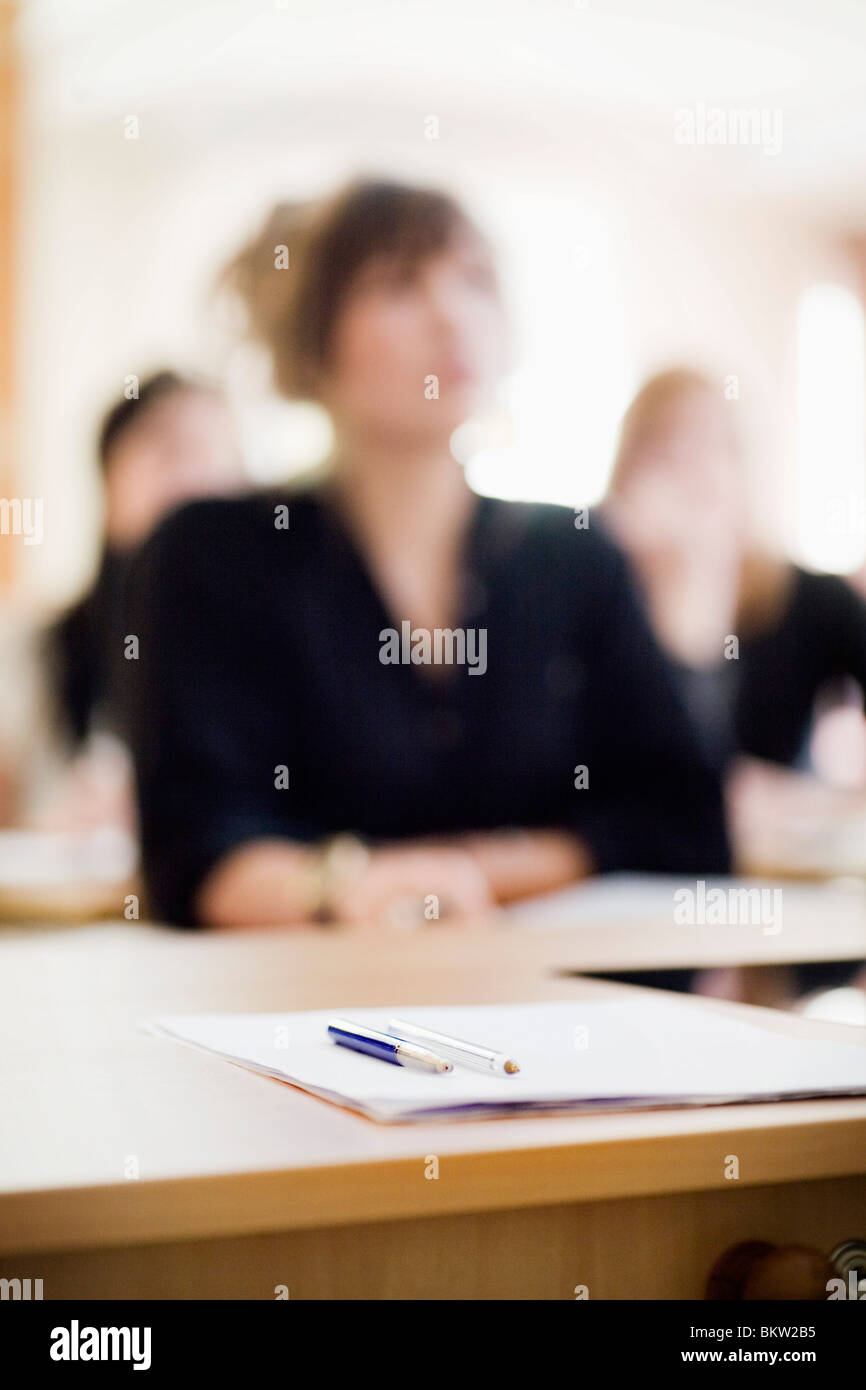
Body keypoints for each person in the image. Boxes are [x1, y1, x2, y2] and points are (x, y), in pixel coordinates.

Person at [125, 178, 730, 930]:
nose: (452, 317)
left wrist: (465, 874)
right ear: (312, 342)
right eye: (398, 285)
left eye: (475, 281)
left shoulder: (577, 557)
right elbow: (196, 845)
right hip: (290, 1009)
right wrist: (346, 887)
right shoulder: (216, 553)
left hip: (551, 1006)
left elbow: (685, 821)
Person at [602, 368, 866, 996]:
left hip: (790, 918)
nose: (693, 472)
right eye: (666, 449)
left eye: (716, 447)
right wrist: (676, 598)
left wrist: (816, 801)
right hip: (633, 913)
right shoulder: (592, 600)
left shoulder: (811, 600)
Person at [34, 370, 244, 831]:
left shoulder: (272, 650)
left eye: (220, 455)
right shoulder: (39, 653)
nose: (199, 478)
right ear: (110, 480)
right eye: (173, 451)